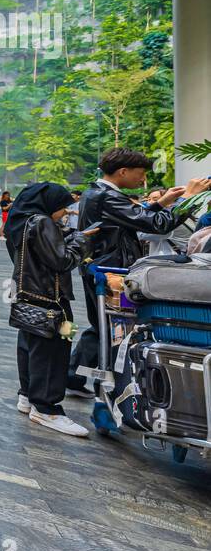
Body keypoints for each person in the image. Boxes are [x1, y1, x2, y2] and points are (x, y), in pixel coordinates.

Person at [69, 148, 211, 412]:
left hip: (100, 267)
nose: (142, 180)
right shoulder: (107, 196)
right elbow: (156, 225)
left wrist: (161, 203)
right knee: (111, 330)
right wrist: (188, 199)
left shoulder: (97, 193)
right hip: (108, 271)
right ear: (123, 172)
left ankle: (76, 377)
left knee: (101, 327)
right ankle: (107, 391)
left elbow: (134, 219)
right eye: (140, 174)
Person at [5, 183, 94, 437]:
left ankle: (27, 395)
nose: (66, 211)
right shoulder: (41, 222)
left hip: (28, 296)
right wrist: (83, 240)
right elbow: (62, 260)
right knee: (58, 346)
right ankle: (47, 408)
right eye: (63, 206)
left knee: (30, 344)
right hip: (52, 300)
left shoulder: (22, 221)